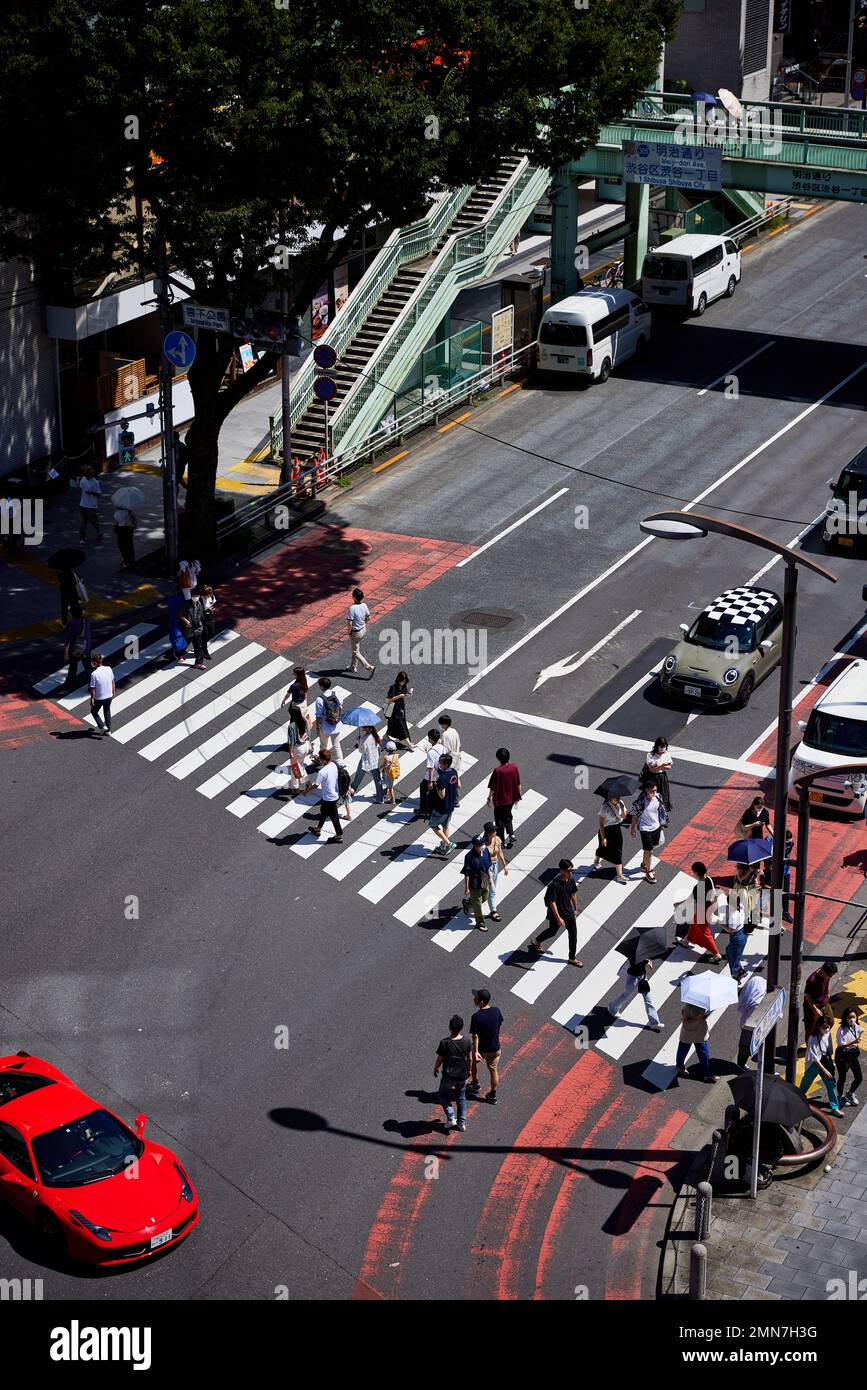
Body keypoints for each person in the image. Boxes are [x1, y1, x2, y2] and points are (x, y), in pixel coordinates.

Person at [530, 859, 582, 968]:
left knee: (573, 935)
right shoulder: (554, 885)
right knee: (552, 932)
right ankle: (537, 941)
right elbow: (552, 902)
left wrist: (576, 907)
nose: (570, 872)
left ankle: (572, 958)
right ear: (562, 871)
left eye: (572, 870)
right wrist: (558, 918)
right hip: (556, 914)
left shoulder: (571, 880)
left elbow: (573, 894)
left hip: (568, 913)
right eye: (569, 870)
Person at [433, 1015, 472, 1132]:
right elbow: (469, 1059)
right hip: (462, 1074)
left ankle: (451, 1117)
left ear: (450, 1027)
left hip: (448, 1075)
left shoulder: (445, 1043)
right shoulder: (466, 1041)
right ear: (461, 1028)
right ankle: (461, 1123)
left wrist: (435, 1068)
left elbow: (440, 1058)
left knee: (442, 1094)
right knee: (461, 1097)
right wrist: (469, 1070)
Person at [799, 1018, 844, 1117]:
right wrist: (825, 1070)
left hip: (824, 1062)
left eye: (828, 1027)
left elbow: (829, 1050)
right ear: (818, 1027)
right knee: (806, 1082)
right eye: (824, 1027)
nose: (827, 1029)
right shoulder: (812, 1038)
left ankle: (834, 1107)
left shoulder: (828, 1034)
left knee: (831, 1084)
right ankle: (798, 1098)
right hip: (813, 1064)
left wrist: (830, 1064)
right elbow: (815, 1058)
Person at [675, 862, 720, 959]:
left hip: (701, 911)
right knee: (693, 924)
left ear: (695, 873)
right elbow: (712, 894)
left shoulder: (697, 888)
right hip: (707, 909)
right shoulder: (709, 880)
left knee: (704, 932)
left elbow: (689, 900)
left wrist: (678, 904)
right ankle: (687, 940)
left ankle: (716, 953)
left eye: (693, 872)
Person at [468, 989, 504, 1104]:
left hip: (482, 1049)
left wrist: (476, 1051)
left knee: (472, 1062)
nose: (474, 999)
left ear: (481, 1002)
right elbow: (499, 1026)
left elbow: (475, 1036)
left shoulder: (476, 1017)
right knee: (493, 1070)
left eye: (476, 998)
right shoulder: (496, 1011)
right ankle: (492, 1095)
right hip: (495, 1048)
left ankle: (475, 1083)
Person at [606, 957, 661, 1032]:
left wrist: (649, 961)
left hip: (643, 977)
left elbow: (646, 959)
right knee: (626, 995)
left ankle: (654, 1022)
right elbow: (637, 962)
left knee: (648, 998)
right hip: (633, 978)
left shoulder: (644, 950)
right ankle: (612, 1007)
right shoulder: (636, 953)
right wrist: (646, 962)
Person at [630, 781, 668, 883]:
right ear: (646, 790)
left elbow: (661, 811)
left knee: (651, 848)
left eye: (655, 790)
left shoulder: (658, 797)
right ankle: (648, 872)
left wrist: (662, 824)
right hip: (645, 829)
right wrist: (633, 829)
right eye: (652, 790)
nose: (654, 792)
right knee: (650, 851)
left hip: (656, 827)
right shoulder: (639, 803)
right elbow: (634, 816)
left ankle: (643, 864)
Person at [487, 747, 521, 849]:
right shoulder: (514, 767)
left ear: (498, 759)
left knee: (499, 821)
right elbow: (518, 783)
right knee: (508, 815)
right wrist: (518, 796)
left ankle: (501, 841)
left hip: (499, 801)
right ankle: (511, 834)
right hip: (511, 799)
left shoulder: (497, 771)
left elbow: (492, 788)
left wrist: (489, 798)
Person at [593, 792, 629, 883]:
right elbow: (601, 824)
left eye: (618, 796)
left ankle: (619, 875)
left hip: (616, 829)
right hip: (606, 830)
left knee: (618, 851)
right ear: (610, 797)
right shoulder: (605, 808)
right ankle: (597, 861)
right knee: (602, 848)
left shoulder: (621, 803)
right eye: (615, 797)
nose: (617, 798)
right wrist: (603, 837)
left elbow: (624, 817)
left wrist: (622, 808)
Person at [676, 1003, 717, 1083]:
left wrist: (705, 1016)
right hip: (689, 1033)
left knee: (704, 1053)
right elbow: (685, 1021)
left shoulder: (705, 1005)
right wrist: (699, 1017)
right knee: (683, 1051)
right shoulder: (688, 1007)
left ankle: (707, 1073)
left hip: (700, 1031)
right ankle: (680, 1066)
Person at [428, 752, 459, 855]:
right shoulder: (454, 772)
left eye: (440, 763)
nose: (439, 765)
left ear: (446, 764)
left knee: (433, 825)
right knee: (445, 826)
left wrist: (436, 785)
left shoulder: (442, 778)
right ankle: (444, 847)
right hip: (451, 805)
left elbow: (442, 795)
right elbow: (459, 785)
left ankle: (448, 843)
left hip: (441, 807)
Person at [310, 748, 343, 843]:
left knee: (334, 817)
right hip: (333, 794)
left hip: (329, 797)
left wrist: (306, 791)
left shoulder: (322, 772)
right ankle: (318, 828)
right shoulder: (333, 765)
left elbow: (315, 785)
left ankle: (339, 835)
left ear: (323, 760)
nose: (319, 759)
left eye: (320, 758)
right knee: (323, 811)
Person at [736, 968, 767, 1068]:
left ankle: (741, 1063)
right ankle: (741, 1064)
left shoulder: (752, 991)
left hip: (747, 1024)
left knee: (746, 1045)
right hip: (751, 1025)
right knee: (746, 1045)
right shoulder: (756, 1003)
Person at [462, 833, 492, 931]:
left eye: (483, 843)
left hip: (484, 879)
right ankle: (480, 923)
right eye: (481, 844)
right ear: (475, 846)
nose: (483, 845)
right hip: (474, 883)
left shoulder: (486, 851)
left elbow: (488, 866)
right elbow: (467, 873)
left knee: (484, 898)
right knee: (478, 905)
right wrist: (466, 888)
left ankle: (467, 902)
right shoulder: (469, 857)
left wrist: (490, 878)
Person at [803, 960, 838, 1042]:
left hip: (825, 1004)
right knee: (810, 1030)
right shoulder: (811, 980)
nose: (829, 977)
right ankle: (810, 1048)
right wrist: (815, 1010)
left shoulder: (826, 975)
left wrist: (828, 992)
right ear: (823, 971)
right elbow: (807, 996)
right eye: (829, 975)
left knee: (831, 1022)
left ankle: (819, 1039)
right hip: (812, 1008)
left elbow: (826, 983)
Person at [835, 1006, 863, 1107]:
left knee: (859, 1077)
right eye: (849, 1017)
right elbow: (841, 1045)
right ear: (845, 1018)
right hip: (842, 1056)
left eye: (854, 1017)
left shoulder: (855, 1026)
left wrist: (857, 1040)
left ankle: (850, 1093)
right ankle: (840, 1096)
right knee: (842, 1078)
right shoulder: (841, 1029)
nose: (852, 1019)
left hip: (851, 1054)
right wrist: (854, 1042)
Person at [61, 603, 92, 690]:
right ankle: (91, 685)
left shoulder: (71, 624)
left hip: (75, 649)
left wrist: (66, 654)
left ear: (72, 614)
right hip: (86, 647)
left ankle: (71, 681)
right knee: (88, 668)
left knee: (73, 665)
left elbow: (68, 640)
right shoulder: (86, 621)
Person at [346, 586, 375, 674]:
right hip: (363, 630)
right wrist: (363, 623)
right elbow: (369, 618)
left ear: (354, 597)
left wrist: (349, 631)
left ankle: (368, 666)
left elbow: (349, 623)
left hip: (355, 632)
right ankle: (353, 667)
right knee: (356, 648)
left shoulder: (352, 608)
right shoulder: (364, 605)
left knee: (355, 652)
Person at [283, 702, 311, 792]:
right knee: (300, 765)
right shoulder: (304, 720)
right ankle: (306, 782)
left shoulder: (291, 726)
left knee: (294, 767)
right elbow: (308, 733)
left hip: (298, 748)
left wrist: (290, 752)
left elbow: (291, 741)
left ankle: (295, 788)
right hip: (306, 745)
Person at [483, 821, 507, 923]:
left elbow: (500, 852)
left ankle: (469, 902)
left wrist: (504, 866)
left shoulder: (497, 839)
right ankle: (493, 911)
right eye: (493, 831)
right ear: (488, 833)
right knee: (491, 889)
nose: (495, 832)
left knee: (489, 889)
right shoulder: (483, 844)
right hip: (487, 868)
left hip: (495, 865)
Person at [350, 725, 383, 802]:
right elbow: (378, 747)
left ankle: (352, 790)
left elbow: (362, 751)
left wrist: (359, 741)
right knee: (377, 778)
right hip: (374, 760)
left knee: (358, 776)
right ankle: (380, 797)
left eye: (365, 727)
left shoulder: (364, 738)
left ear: (369, 728)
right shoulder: (375, 735)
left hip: (365, 760)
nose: (363, 728)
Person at [313, 677, 343, 758]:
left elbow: (319, 716)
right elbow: (340, 708)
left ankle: (321, 760)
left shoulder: (319, 700)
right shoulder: (337, 695)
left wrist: (317, 728)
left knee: (323, 745)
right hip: (336, 725)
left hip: (325, 727)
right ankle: (341, 762)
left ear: (322, 687)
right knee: (337, 745)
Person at [641, 736, 673, 813]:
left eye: (665, 746)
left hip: (662, 777)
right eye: (661, 746)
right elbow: (651, 769)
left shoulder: (666, 754)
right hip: (652, 777)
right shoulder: (650, 755)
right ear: (657, 746)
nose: (663, 749)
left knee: (663, 794)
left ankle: (662, 813)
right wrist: (662, 766)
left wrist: (659, 766)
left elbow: (669, 767)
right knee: (651, 794)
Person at [178, 589, 208, 668]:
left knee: (199, 646)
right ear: (191, 596)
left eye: (197, 596)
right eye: (194, 596)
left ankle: (199, 663)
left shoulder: (199, 603)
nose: (196, 597)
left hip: (198, 628)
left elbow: (201, 614)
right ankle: (179, 654)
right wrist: (187, 622)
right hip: (189, 628)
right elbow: (181, 615)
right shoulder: (186, 605)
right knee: (185, 644)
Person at [385, 671, 414, 749]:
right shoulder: (393, 687)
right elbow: (390, 698)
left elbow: (403, 695)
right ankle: (409, 744)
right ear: (398, 679)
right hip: (394, 710)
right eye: (402, 680)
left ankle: (388, 734)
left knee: (396, 725)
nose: (403, 682)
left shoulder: (404, 687)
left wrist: (407, 694)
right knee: (401, 726)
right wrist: (399, 696)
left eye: (404, 681)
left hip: (401, 709)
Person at [89, 652, 115, 735]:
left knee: (93, 711)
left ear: (94, 662)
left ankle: (103, 726)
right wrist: (113, 691)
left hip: (100, 698)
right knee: (107, 711)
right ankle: (109, 730)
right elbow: (112, 681)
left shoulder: (94, 674)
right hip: (109, 695)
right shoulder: (109, 668)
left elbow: (93, 688)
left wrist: (92, 699)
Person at [418, 727, 442, 819]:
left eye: (429, 738)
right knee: (435, 795)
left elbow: (430, 768)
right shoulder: (442, 748)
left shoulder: (431, 752)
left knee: (423, 789)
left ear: (431, 739)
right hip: (440, 775)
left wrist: (430, 781)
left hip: (431, 777)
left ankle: (423, 810)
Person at [721, 900, 748, 980]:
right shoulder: (741, 907)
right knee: (732, 953)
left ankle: (736, 976)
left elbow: (731, 930)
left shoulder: (734, 915)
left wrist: (721, 925)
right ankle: (740, 971)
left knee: (733, 957)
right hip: (741, 934)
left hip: (736, 937)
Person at [437, 714, 463, 788]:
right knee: (455, 775)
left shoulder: (445, 734)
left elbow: (446, 750)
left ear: (445, 724)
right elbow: (459, 745)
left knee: (448, 779)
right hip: (457, 756)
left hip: (450, 759)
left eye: (441, 724)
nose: (440, 726)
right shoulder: (454, 730)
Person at [78, 465, 102, 543]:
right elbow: (80, 489)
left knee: (93, 522)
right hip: (82, 505)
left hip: (92, 506)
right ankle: (82, 538)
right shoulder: (83, 479)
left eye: (92, 473)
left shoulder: (95, 482)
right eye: (89, 473)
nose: (91, 475)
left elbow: (99, 494)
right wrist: (77, 482)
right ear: (86, 474)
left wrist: (91, 493)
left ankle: (99, 532)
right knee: (82, 524)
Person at [166, 592, 189, 661]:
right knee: (178, 636)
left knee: (180, 636)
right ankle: (179, 654)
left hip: (179, 619)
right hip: (178, 620)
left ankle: (180, 652)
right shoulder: (176, 600)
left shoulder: (173, 600)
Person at [380, 738, 401, 806]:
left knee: (389, 787)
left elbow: (382, 765)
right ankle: (385, 792)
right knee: (389, 784)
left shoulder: (386, 757)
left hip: (387, 774)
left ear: (387, 749)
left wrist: (379, 769)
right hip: (393, 773)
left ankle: (392, 799)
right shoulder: (396, 756)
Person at [782, 827, 795, 923]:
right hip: (775, 871)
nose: (788, 844)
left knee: (786, 892)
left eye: (789, 842)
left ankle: (785, 913)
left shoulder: (791, 843)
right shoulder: (774, 843)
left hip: (786, 871)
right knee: (770, 890)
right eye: (786, 842)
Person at [200, 584, 217, 650]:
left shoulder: (211, 597)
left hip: (209, 618)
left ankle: (201, 643)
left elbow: (212, 604)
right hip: (201, 619)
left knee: (212, 633)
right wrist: (206, 610)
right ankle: (203, 648)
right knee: (205, 635)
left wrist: (211, 609)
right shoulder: (199, 600)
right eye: (208, 595)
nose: (209, 596)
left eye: (210, 594)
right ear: (204, 594)